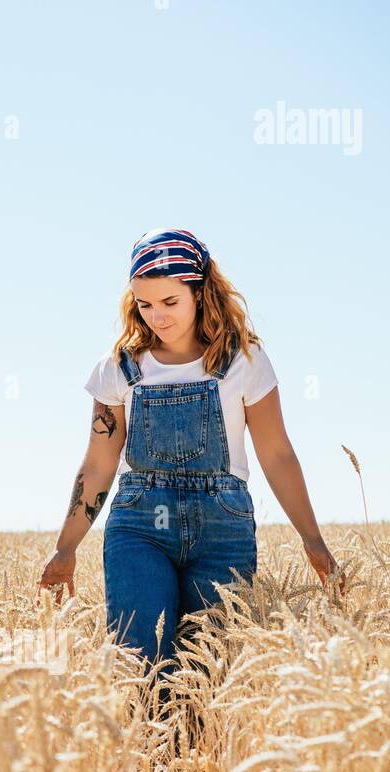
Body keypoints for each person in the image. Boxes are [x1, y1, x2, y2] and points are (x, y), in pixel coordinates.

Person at [37, 226, 344, 720]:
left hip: (222, 530)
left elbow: (277, 454)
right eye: (144, 305)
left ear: (201, 292)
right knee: (140, 666)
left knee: (209, 679)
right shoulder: (119, 368)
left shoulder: (243, 360)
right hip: (140, 526)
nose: (156, 317)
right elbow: (98, 462)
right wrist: (66, 545)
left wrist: (312, 539)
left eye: (170, 301)